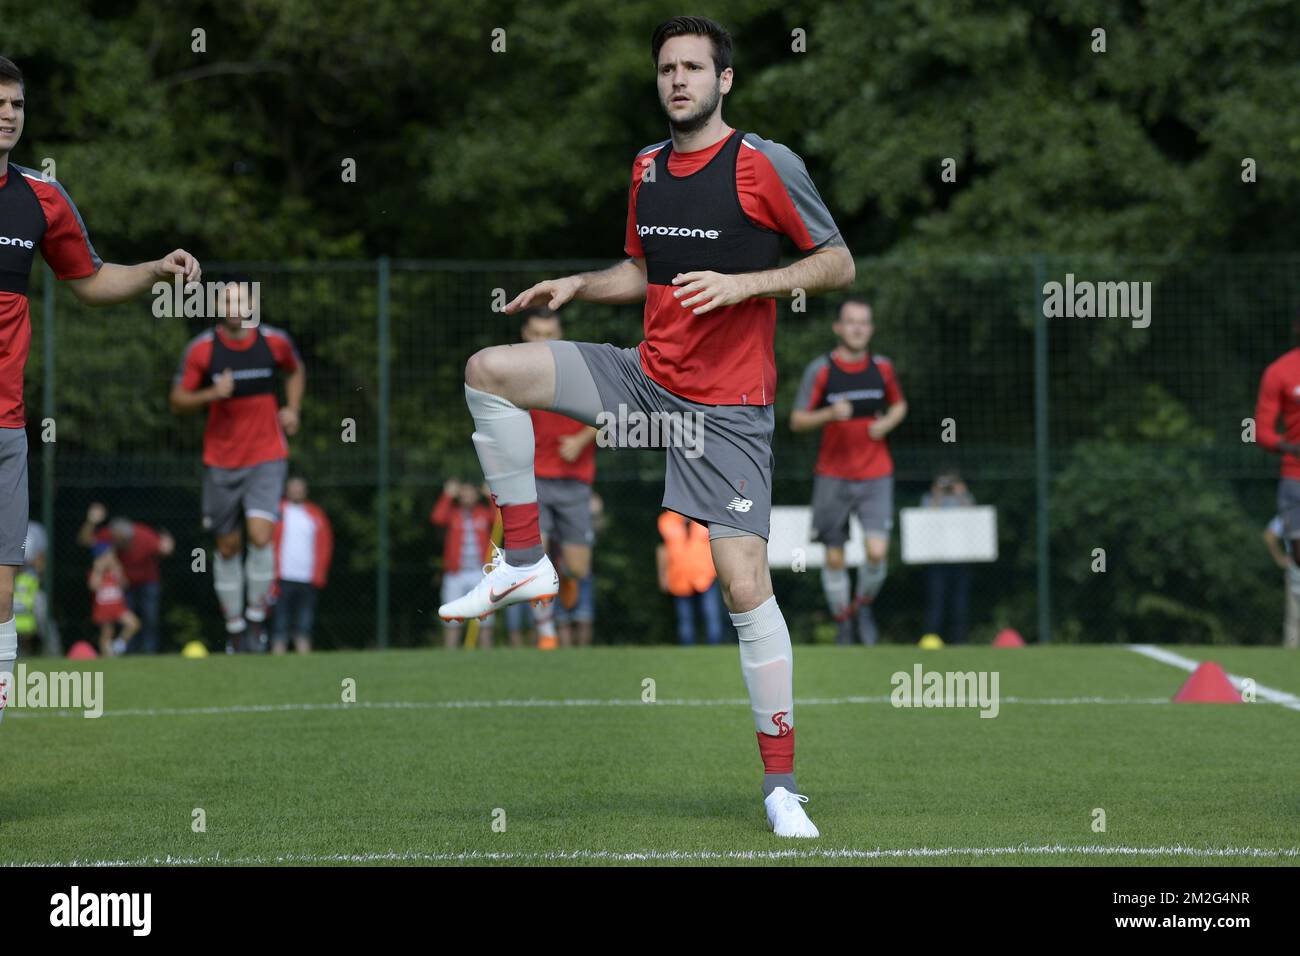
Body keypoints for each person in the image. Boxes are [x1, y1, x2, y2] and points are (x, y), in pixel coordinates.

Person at [439, 17, 854, 837]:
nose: (678, 80)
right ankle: (524, 561)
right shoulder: (647, 167)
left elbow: (836, 261)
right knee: (489, 370)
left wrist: (748, 287)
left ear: (724, 80)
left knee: (743, 587)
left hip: (729, 412)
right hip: (644, 380)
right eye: (667, 68)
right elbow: (640, 269)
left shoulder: (765, 164)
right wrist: (578, 285)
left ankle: (780, 787)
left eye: (694, 67)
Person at [0, 54, 200, 726]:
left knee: (2, 585)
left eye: (17, 105)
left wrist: (152, 270)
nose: (7, 115)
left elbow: (88, 281)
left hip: (6, 425)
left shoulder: (41, 198)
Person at [170, 278, 305, 653]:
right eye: (226, 301)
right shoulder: (202, 350)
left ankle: (257, 619)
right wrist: (213, 393)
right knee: (228, 547)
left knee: (261, 536)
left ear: (250, 306)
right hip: (222, 462)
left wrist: (292, 409)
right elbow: (178, 400)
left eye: (240, 300)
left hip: (267, 456)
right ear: (217, 308)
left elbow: (295, 370)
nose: (233, 307)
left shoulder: (274, 342)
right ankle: (234, 627)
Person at [791, 297, 907, 646]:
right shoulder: (821, 370)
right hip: (833, 475)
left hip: (876, 474)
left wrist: (886, 422)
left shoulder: (882, 368)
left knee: (876, 552)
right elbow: (796, 420)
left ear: (870, 329)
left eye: (864, 322)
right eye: (850, 322)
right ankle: (843, 620)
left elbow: (900, 404)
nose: (857, 328)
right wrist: (828, 414)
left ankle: (863, 605)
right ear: (838, 328)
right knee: (835, 556)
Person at [518, 306, 599, 649]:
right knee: (536, 554)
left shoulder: (581, 371)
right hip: (533, 479)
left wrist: (580, 439)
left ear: (560, 336)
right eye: (536, 334)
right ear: (525, 335)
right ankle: (546, 632)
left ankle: (565, 580)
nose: (542, 341)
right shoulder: (512, 374)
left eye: (549, 335)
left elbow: (608, 413)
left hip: (575, 482)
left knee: (578, 567)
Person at [1254, 319, 1300, 653]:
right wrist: (1289, 447)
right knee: (1298, 557)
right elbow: (1262, 431)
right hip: (1295, 477)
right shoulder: (1280, 371)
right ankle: (1294, 641)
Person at [77, 504, 174, 654]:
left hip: (147, 582)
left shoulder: (145, 536)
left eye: (122, 540)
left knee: (150, 618)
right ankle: (128, 653)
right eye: (116, 539)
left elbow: (165, 550)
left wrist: (167, 547)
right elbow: (84, 540)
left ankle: (149, 652)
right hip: (123, 587)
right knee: (116, 626)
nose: (118, 543)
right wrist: (91, 521)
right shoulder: (109, 536)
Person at [431, 479, 498, 649]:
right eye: (463, 492)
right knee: (452, 616)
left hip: (480, 573)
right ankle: (451, 653)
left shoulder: (483, 512)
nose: (467, 495)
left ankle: (486, 656)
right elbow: (437, 518)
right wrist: (447, 495)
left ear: (476, 494)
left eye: (470, 492)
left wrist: (490, 496)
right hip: (455, 573)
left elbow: (500, 519)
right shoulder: (453, 513)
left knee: (485, 617)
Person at [270, 476, 333, 654]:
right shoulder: (277, 511)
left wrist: (320, 573)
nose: (296, 491)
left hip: (307, 577)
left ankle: (303, 654)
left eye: (299, 488)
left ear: (305, 491)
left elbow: (325, 544)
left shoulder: (315, 514)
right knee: (280, 619)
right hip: (282, 576)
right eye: (293, 488)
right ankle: (278, 652)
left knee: (305, 620)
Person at [920, 468, 975, 645]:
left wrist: (961, 494)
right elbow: (925, 520)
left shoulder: (964, 499)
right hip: (937, 559)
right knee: (935, 601)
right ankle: (931, 637)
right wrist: (937, 495)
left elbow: (975, 517)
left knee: (960, 603)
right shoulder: (928, 499)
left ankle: (960, 640)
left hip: (961, 559)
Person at [657, 510, 725, 645]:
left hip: (706, 576)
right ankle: (687, 650)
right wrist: (663, 575)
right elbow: (662, 549)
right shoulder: (666, 520)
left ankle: (715, 650)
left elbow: (719, 546)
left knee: (711, 615)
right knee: (685, 619)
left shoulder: (708, 515)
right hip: (679, 577)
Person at [88, 543, 139, 658]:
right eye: (109, 555)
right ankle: (107, 656)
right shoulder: (96, 572)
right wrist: (98, 570)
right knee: (106, 633)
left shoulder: (115, 571)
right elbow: (93, 586)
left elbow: (125, 585)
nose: (112, 557)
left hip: (118, 607)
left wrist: (118, 572)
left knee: (133, 624)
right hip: (103, 608)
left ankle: (118, 646)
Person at [1262, 515, 1300, 648]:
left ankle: (1291, 649)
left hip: (1294, 568)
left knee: (1293, 617)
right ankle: (1291, 651)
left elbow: (1269, 534)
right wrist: (1279, 558)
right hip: (1295, 569)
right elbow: (1269, 535)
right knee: (1294, 616)